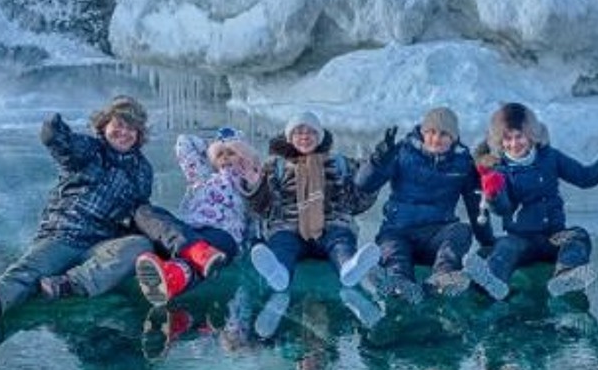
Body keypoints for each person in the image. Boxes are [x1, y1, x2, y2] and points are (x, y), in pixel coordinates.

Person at [0, 95, 155, 323]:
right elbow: (66, 148)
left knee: (140, 245)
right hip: (63, 235)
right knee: (27, 272)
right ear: (104, 125)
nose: (124, 132)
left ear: (139, 134)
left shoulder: (142, 171)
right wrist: (55, 134)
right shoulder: (90, 150)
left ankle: (68, 285)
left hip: (99, 246)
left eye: (132, 128)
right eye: (119, 125)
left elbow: (139, 213)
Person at [463, 102, 598, 300]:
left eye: (519, 136)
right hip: (520, 238)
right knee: (504, 247)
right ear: (500, 141)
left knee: (578, 236)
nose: (514, 144)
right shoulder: (500, 169)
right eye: (508, 138)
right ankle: (492, 280)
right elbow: (504, 209)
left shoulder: (550, 157)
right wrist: (493, 194)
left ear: (531, 135)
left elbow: (585, 177)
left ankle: (567, 275)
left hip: (554, 236)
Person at [353, 106, 493, 302]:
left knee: (461, 230)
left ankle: (443, 277)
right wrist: (378, 161)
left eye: (444, 134)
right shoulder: (402, 152)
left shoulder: (462, 163)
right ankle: (400, 282)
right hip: (398, 230)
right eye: (431, 132)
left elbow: (475, 204)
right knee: (394, 252)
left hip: (436, 235)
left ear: (454, 138)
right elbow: (363, 184)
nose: (436, 139)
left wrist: (487, 241)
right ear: (422, 132)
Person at [242, 111, 380, 293]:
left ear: (320, 136)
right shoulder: (276, 167)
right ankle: (279, 273)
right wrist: (255, 187)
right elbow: (265, 208)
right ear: (290, 137)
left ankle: (349, 268)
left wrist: (372, 175)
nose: (305, 136)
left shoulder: (340, 163)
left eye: (311, 132)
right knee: (282, 245)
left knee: (340, 242)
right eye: (299, 132)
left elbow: (356, 202)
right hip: (288, 228)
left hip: (332, 226)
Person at [132, 127, 260, 306]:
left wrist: (250, 172)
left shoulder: (247, 180)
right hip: (188, 231)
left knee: (205, 258)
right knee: (143, 211)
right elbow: (184, 142)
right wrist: (214, 146)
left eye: (231, 153)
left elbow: (261, 206)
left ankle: (173, 275)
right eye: (220, 154)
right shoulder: (202, 177)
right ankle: (194, 252)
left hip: (222, 234)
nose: (225, 157)